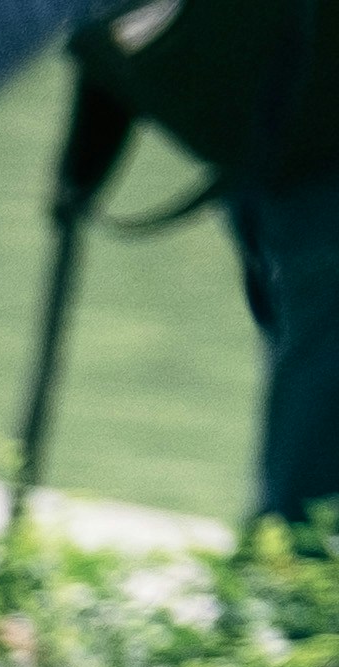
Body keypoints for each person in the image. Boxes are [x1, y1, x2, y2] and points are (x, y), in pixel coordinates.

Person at [82, 0, 339, 527]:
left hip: (279, 127)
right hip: (282, 138)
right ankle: (295, 556)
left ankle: (292, 551)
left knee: (308, 350)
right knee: (314, 355)